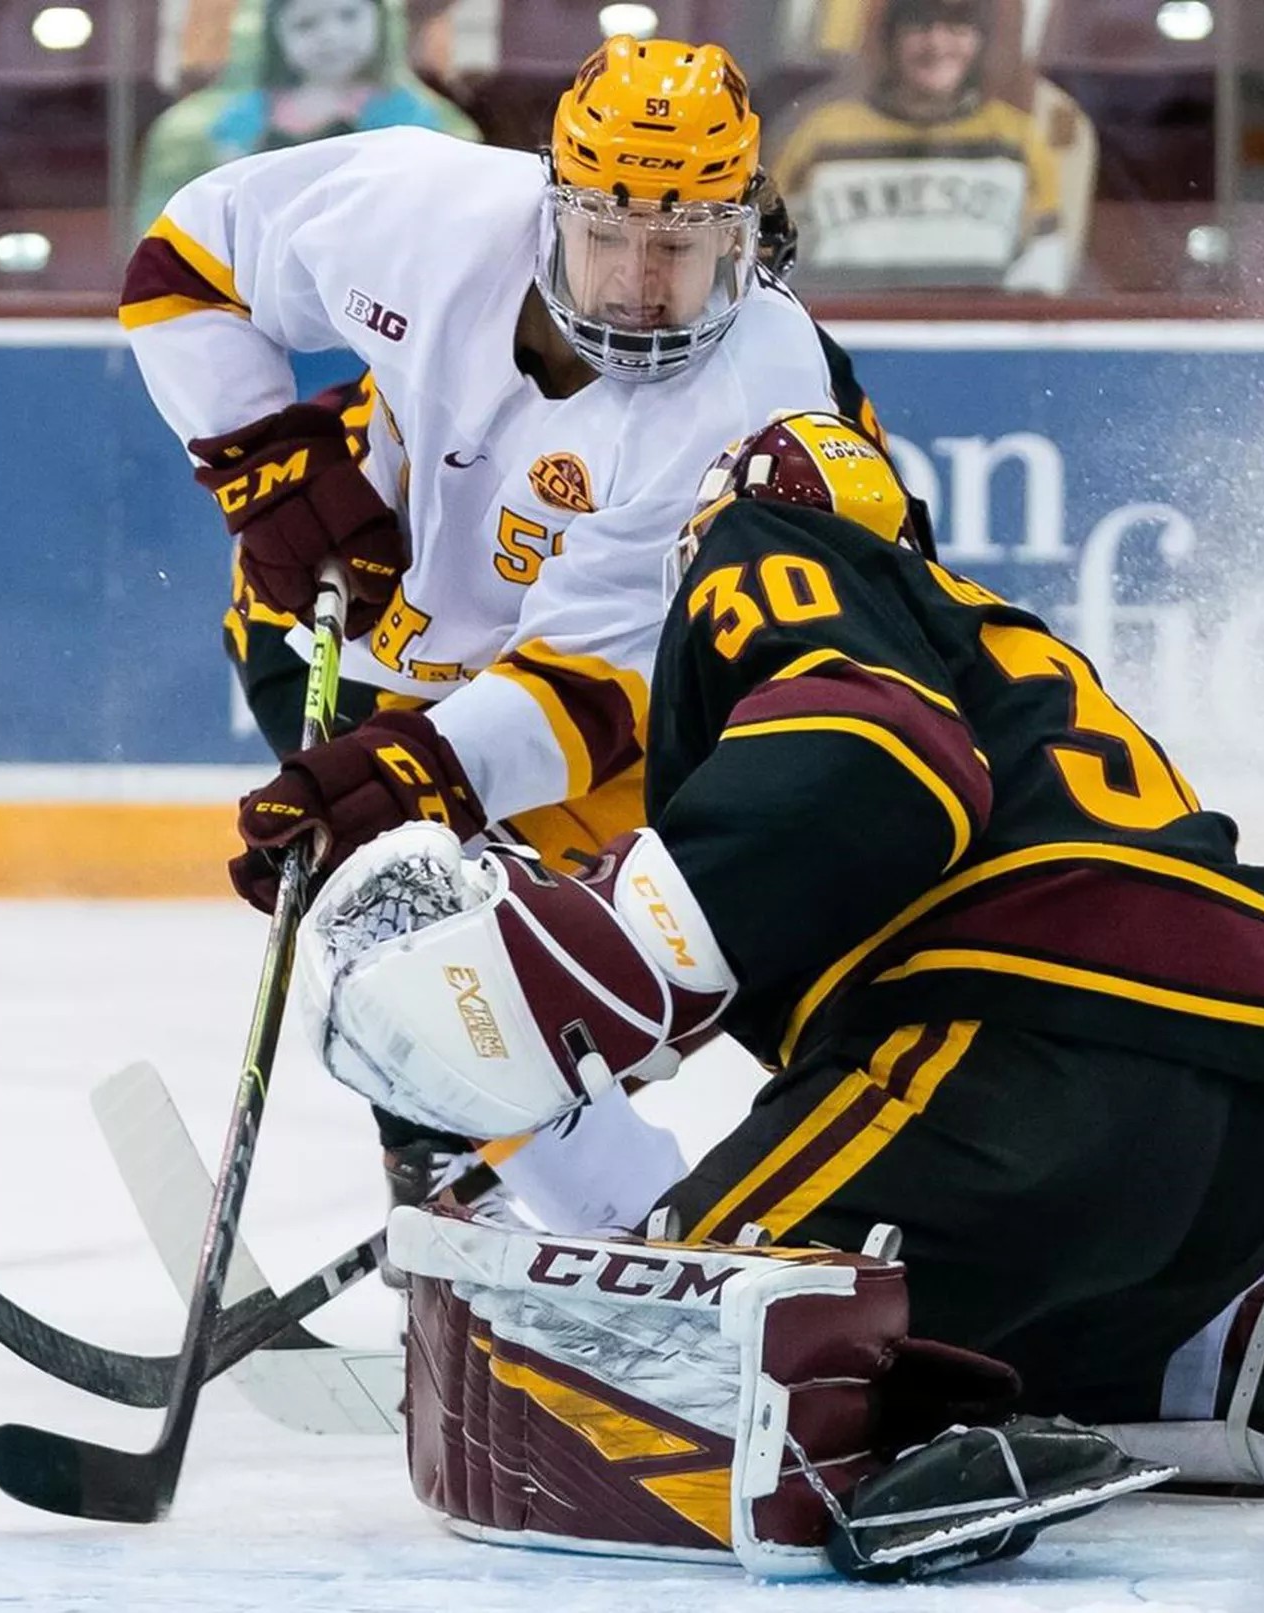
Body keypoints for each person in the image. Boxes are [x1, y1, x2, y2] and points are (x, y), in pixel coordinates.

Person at [301, 410, 1264, 1432]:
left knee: (650, 1358)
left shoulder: (766, 543)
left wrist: (613, 947)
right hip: (1259, 1129)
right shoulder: (994, 642)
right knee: (942, 1363)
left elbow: (870, 750)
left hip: (1027, 1067)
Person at [122, 36, 872, 1213]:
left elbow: (591, 683)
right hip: (344, 618)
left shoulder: (762, 388)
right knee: (406, 922)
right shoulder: (427, 205)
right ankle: (500, 1180)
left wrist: (420, 773)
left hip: (577, 704)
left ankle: (678, 1210)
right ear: (550, 204)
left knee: (703, 946)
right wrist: (261, 461)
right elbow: (185, 262)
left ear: (741, 239)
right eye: (608, 235)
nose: (636, 283)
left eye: (679, 247)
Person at [767, 0, 1083, 293]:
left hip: (979, 330)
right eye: (919, 25)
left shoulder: (1018, 140)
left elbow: (1044, 265)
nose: (937, 44)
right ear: (891, 39)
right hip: (843, 328)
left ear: (981, 41)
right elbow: (773, 255)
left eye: (958, 26)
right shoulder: (820, 136)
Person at [132, 0, 476, 238]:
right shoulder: (234, 117)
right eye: (306, 24)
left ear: (381, 20)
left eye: (348, 15)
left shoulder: (415, 115)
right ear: (272, 33)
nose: (331, 35)